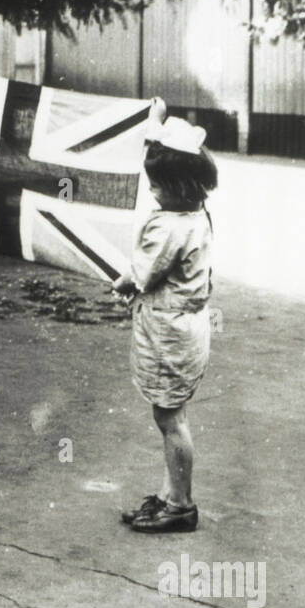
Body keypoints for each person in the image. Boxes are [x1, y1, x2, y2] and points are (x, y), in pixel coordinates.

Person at [111, 99, 217, 533]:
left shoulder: (169, 226)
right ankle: (172, 493)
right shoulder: (193, 213)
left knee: (170, 418)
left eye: (157, 185)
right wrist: (154, 123)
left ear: (179, 185)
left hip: (170, 334)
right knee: (171, 414)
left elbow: (143, 272)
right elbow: (158, 158)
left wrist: (123, 283)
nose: (151, 190)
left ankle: (181, 505)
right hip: (186, 327)